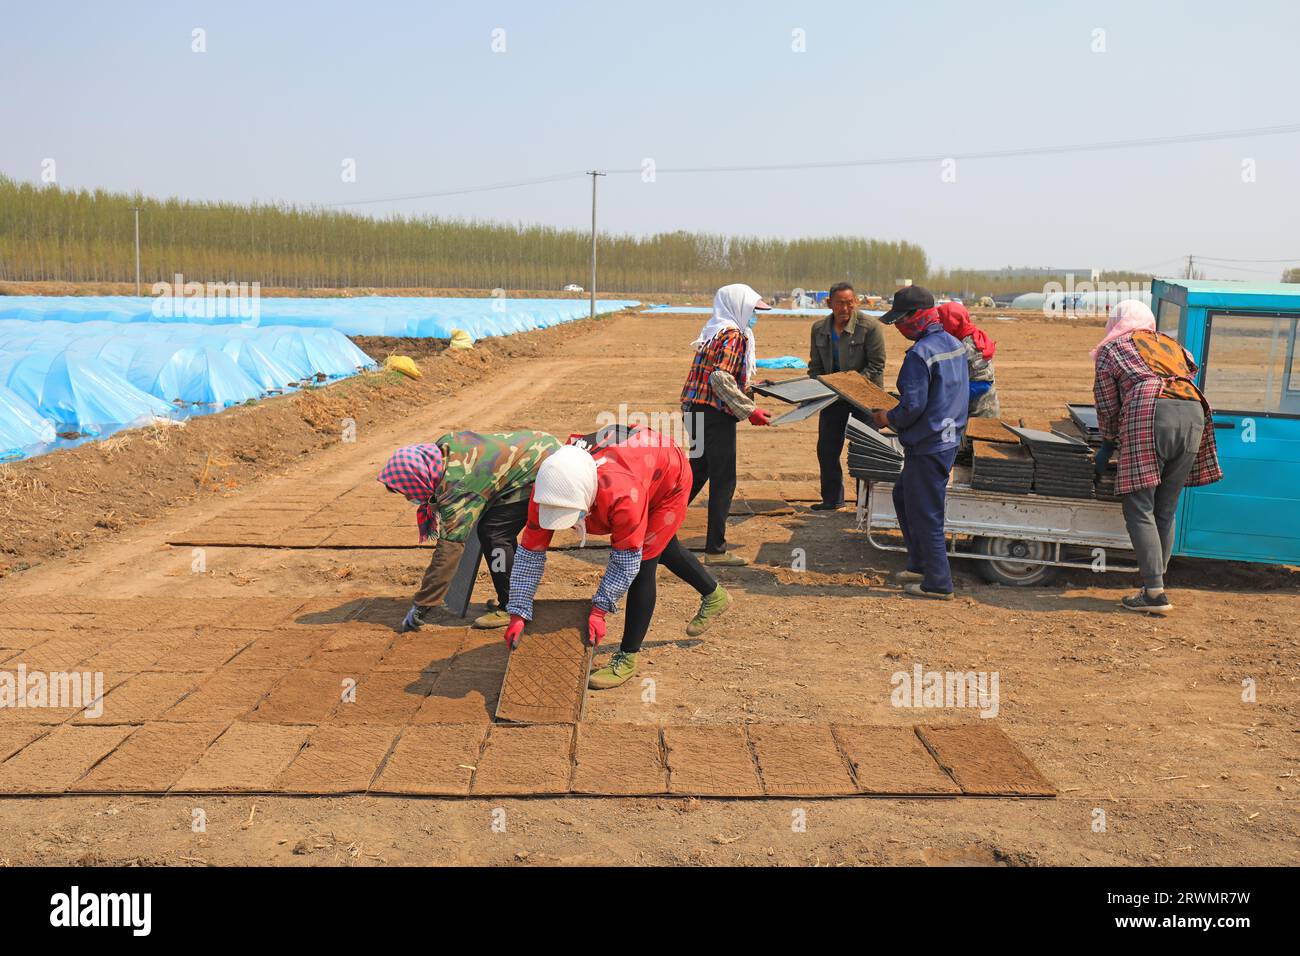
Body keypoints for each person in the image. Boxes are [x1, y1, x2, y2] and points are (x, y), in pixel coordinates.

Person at [504, 428, 732, 690]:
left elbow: (625, 562)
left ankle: (627, 656)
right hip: (636, 462)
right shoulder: (549, 486)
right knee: (663, 546)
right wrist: (518, 611)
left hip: (668, 478)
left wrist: (599, 610)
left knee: (645, 563)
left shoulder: (623, 496)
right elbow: (530, 553)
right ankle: (714, 594)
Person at [1092, 299, 1222, 614]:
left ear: (1118, 321)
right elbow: (1189, 373)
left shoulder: (1113, 349)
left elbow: (1107, 402)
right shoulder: (1172, 346)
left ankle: (1153, 593)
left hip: (1152, 413)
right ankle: (1155, 586)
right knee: (1165, 508)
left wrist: (1108, 442)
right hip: (1194, 414)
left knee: (1139, 506)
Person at [378, 430, 560, 632]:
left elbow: (449, 550)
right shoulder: (442, 450)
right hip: (542, 446)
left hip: (541, 470)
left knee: (494, 533)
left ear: (418, 479)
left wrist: (422, 603)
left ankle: (513, 605)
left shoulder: (459, 487)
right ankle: (515, 595)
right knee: (495, 528)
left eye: (408, 492)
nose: (409, 498)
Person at [872, 286, 969, 599]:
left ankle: (938, 582)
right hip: (948, 437)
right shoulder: (953, 344)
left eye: (901, 319)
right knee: (904, 496)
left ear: (917, 316)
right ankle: (918, 562)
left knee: (926, 511)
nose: (898, 327)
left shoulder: (920, 354)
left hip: (928, 444)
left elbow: (912, 406)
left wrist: (887, 417)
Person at [679, 283, 773, 566]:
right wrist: (749, 410)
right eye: (754, 311)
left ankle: (654, 529)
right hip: (714, 417)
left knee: (696, 473)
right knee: (724, 480)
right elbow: (720, 379)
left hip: (694, 411)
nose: (756, 317)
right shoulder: (734, 335)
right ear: (739, 307)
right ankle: (715, 550)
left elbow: (721, 376)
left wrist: (752, 388)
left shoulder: (714, 331)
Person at [807, 281, 888, 509]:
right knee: (827, 450)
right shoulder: (819, 328)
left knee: (865, 451)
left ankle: (867, 504)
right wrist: (819, 387)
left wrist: (849, 386)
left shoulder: (869, 327)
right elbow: (815, 367)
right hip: (833, 399)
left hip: (865, 400)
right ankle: (832, 501)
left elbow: (876, 366)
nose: (845, 308)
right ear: (829, 303)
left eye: (850, 303)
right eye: (840, 303)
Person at [938, 301, 1000, 418]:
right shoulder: (958, 339)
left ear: (951, 323)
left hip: (981, 410)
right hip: (966, 407)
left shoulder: (972, 345)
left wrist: (950, 396)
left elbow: (982, 383)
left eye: (942, 322)